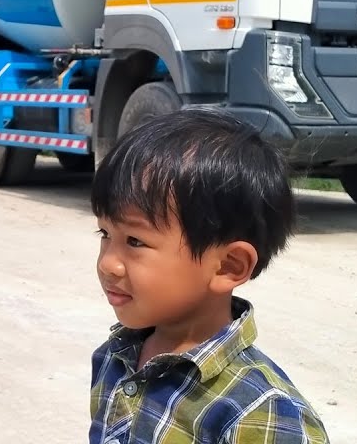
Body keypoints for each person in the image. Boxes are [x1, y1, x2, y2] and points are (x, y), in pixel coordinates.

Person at [88, 107, 328, 444]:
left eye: (135, 241)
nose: (107, 264)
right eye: (104, 234)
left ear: (229, 265)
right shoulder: (115, 356)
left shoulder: (260, 416)